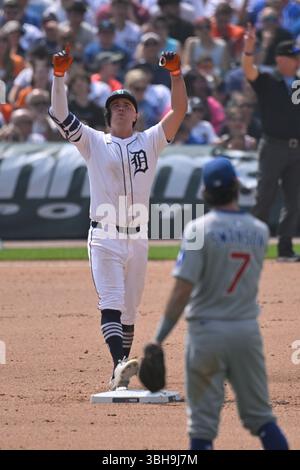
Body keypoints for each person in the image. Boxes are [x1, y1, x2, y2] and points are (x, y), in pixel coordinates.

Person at [49, 45, 187, 390]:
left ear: (136, 115)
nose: (121, 108)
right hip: (105, 235)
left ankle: (119, 375)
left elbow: (181, 109)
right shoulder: (93, 141)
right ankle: (119, 364)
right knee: (110, 302)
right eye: (115, 106)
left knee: (129, 311)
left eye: (127, 105)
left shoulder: (151, 140)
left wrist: (176, 74)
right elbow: (58, 112)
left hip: (138, 237)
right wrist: (59, 76)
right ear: (108, 116)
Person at [148, 157, 289, 450]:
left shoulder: (199, 230)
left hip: (206, 333)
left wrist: (159, 338)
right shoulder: (260, 231)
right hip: (245, 332)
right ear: (236, 187)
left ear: (205, 194)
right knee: (263, 419)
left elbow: (181, 291)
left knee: (202, 427)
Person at [242, 26, 300, 261]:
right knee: (264, 196)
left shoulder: (297, 83)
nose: (297, 60)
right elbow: (248, 70)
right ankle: (252, 245)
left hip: (297, 148)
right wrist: (248, 49)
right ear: (280, 58)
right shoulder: (267, 79)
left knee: (294, 200)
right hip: (273, 146)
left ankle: (285, 249)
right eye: (293, 56)